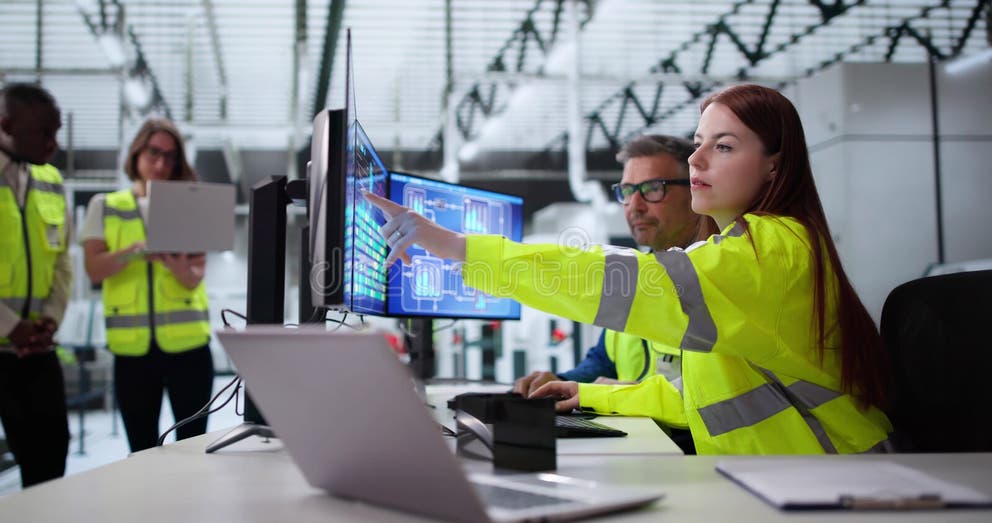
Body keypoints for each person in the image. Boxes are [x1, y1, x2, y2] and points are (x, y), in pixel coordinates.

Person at [366, 84, 893, 454]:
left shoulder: (774, 249)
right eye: (699, 143)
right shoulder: (744, 251)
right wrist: (588, 393)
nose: (698, 159)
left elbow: (628, 283)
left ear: (775, 164)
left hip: (837, 483)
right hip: (782, 478)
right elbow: (699, 397)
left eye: (724, 146)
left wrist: (462, 249)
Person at [513, 135, 715, 397]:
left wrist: (634, 396)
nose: (635, 206)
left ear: (695, 191)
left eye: (653, 188)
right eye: (628, 191)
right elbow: (602, 363)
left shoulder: (719, 276)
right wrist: (560, 382)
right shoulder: (632, 280)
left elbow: (722, 393)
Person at [80, 118, 214, 453]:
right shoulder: (105, 205)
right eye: (154, 152)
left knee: (194, 447)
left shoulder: (189, 205)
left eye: (170, 156)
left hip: (189, 347)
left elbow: (195, 277)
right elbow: (94, 269)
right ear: (137, 152)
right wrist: (133, 252)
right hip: (132, 351)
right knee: (141, 450)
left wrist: (173, 261)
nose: (161, 163)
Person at [0, 83, 72, 487]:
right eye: (43, 132)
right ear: (7, 125)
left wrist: (49, 319)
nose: (53, 143)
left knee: (50, 460)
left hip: (37, 351)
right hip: (7, 340)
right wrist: (11, 326)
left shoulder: (50, 180)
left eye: (56, 131)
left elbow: (62, 262)